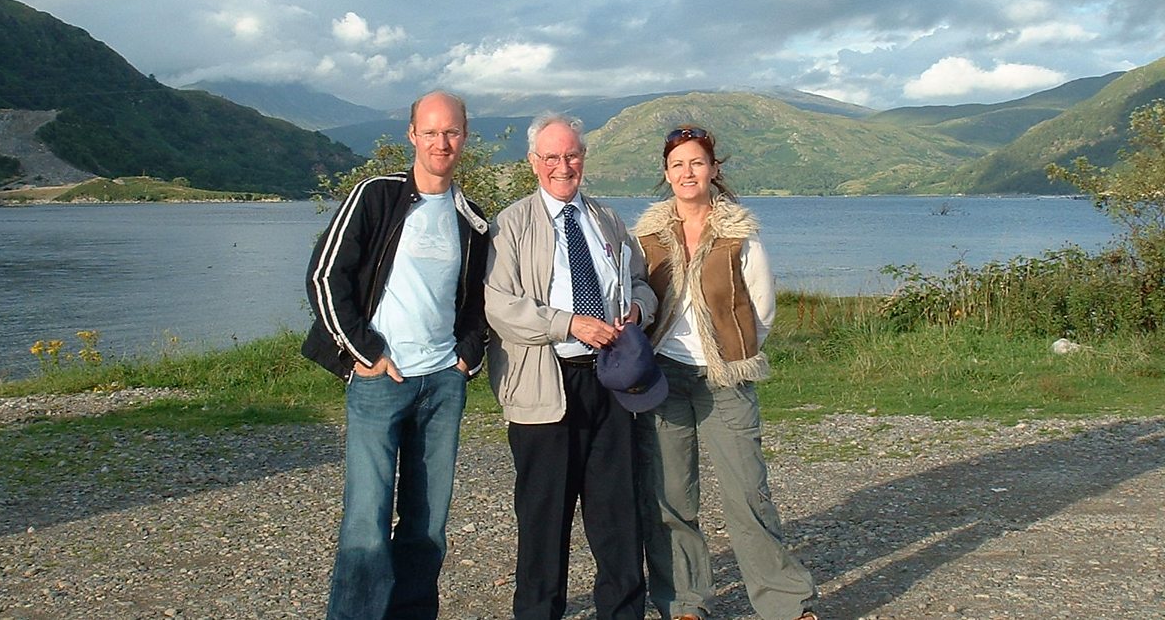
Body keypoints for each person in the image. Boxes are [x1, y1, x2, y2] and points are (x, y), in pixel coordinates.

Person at [301, 90, 490, 620]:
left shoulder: (472, 219)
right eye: (430, 132)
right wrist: (364, 352)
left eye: (450, 132)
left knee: (427, 525)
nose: (441, 142)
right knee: (367, 519)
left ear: (465, 136)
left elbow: (480, 304)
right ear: (412, 135)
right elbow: (324, 276)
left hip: (442, 386)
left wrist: (466, 359)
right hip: (380, 383)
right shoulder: (375, 196)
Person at [631, 126, 817, 620]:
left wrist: (734, 352)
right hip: (663, 378)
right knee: (670, 498)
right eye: (677, 165)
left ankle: (783, 603)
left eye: (697, 163)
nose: (687, 172)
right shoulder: (646, 236)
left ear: (714, 170)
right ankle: (686, 603)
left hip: (725, 380)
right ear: (666, 174)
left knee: (747, 492)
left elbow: (763, 309)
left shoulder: (739, 234)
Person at [484, 113, 658, 620]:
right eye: (552, 157)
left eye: (573, 155)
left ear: (584, 158)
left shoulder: (606, 219)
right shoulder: (510, 224)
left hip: (610, 381)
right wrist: (569, 324)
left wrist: (637, 311)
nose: (564, 166)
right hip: (544, 383)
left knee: (617, 512)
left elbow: (642, 282)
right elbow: (500, 307)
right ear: (534, 163)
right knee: (544, 517)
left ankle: (624, 612)